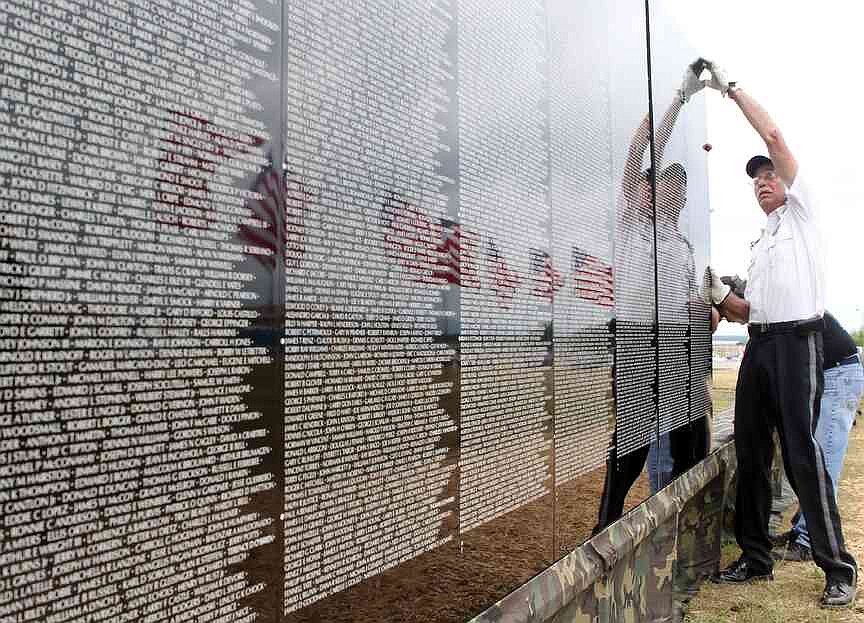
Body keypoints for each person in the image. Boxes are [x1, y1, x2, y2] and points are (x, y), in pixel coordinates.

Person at [702, 58, 858, 608]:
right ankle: (755, 557)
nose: (763, 183)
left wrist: (732, 89)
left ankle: (837, 567)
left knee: (800, 450)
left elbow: (772, 133)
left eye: (769, 175)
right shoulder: (763, 239)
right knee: (750, 449)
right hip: (760, 345)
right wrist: (716, 294)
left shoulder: (804, 210)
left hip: (800, 343)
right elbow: (748, 310)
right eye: (755, 180)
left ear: (785, 178)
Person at [595, 59, 711, 529]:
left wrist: (707, 303)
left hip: (678, 347)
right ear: (643, 192)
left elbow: (692, 308)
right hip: (638, 339)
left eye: (675, 190)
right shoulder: (631, 225)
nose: (665, 194)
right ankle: (605, 527)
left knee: (690, 438)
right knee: (632, 443)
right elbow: (639, 146)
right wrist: (680, 100)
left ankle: (680, 525)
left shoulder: (682, 247)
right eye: (658, 185)